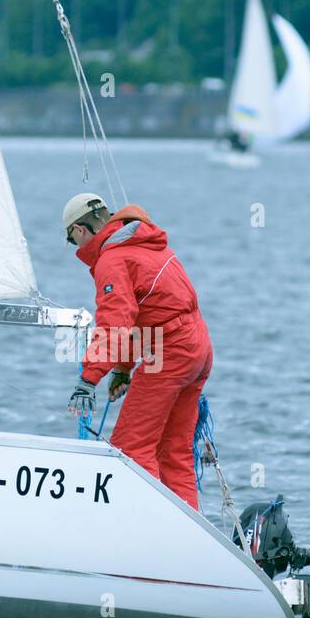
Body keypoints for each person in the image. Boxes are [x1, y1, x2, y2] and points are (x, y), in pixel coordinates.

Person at [63, 193, 213, 509]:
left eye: (71, 240)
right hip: (197, 348)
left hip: (171, 352)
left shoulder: (112, 259)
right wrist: (121, 369)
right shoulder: (149, 244)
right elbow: (146, 317)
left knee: (131, 448)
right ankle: (185, 536)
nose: (76, 249)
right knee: (174, 452)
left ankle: (147, 527)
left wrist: (88, 380)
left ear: (79, 230)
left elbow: (115, 323)